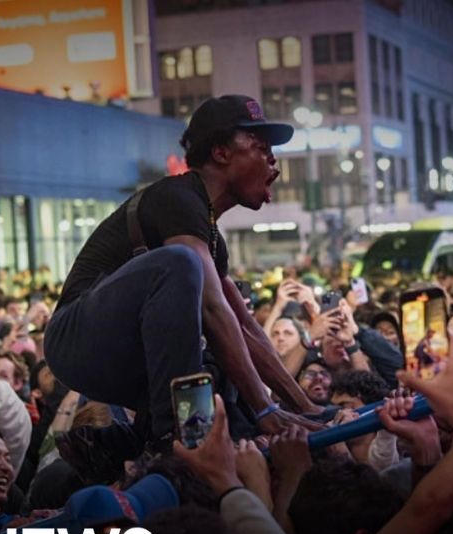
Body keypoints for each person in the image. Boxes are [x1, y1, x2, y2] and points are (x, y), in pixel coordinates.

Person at [45, 95, 322, 450]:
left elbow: (246, 330)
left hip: (126, 353)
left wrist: (307, 408)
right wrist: (265, 406)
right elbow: (213, 309)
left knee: (223, 357)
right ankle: (174, 439)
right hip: (76, 340)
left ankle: (170, 443)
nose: (272, 159)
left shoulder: (210, 238)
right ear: (221, 153)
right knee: (181, 265)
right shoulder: (177, 198)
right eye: (259, 146)